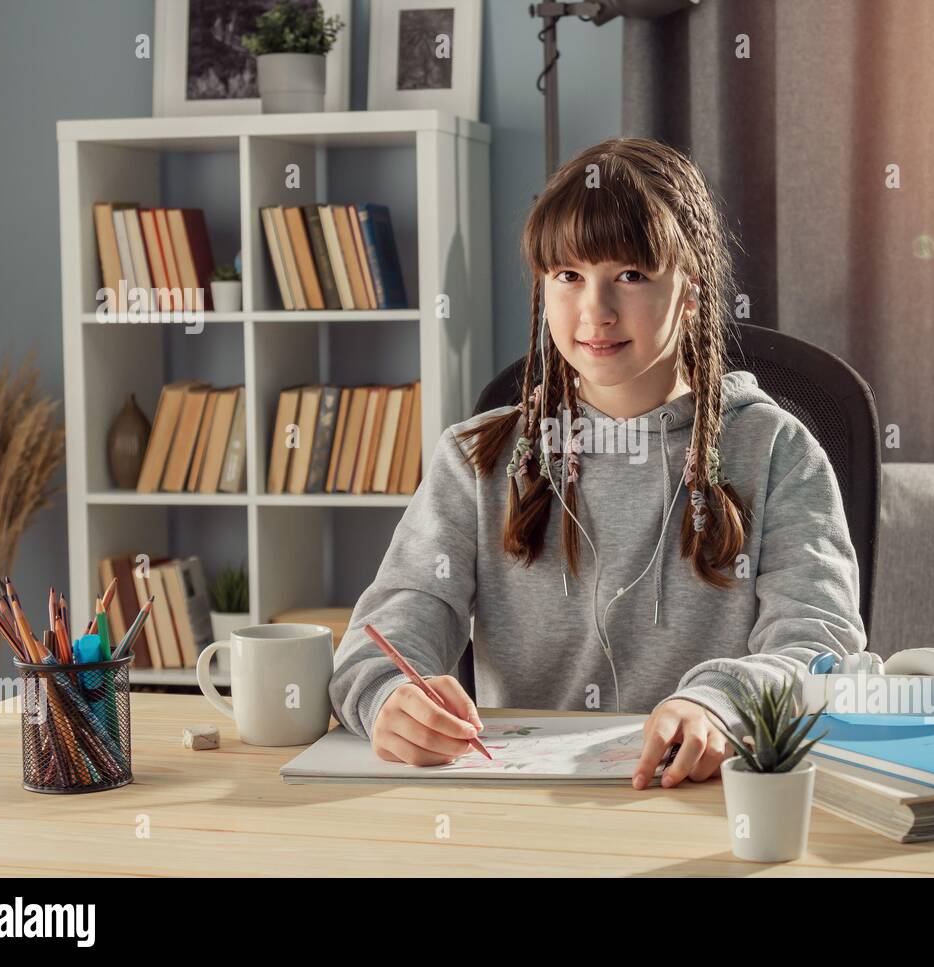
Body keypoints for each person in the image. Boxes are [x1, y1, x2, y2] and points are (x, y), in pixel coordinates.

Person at [330, 137, 866, 789]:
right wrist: (389, 698)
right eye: (569, 276)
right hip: (514, 811)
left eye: (631, 275)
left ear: (691, 291)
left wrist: (719, 704)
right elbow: (383, 637)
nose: (596, 311)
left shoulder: (778, 452)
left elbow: (820, 651)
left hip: (709, 801)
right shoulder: (474, 461)